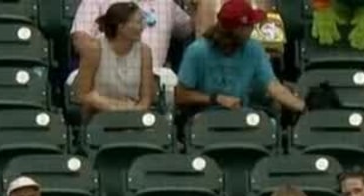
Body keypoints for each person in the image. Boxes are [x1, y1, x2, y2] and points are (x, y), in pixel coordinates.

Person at [174, 0, 304, 116]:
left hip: (241, 116)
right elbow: (181, 96)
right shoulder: (197, 51)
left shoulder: (254, 49)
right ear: (238, 30)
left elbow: (274, 87)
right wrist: (215, 98)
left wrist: (302, 106)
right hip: (204, 120)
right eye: (250, 25)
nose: (253, 27)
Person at [76, 2, 158, 119]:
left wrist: (132, 111)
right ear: (121, 27)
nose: (143, 27)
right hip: (98, 117)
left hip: (133, 116)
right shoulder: (94, 49)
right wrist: (118, 107)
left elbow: (145, 101)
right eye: (138, 22)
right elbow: (83, 94)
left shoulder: (145, 52)